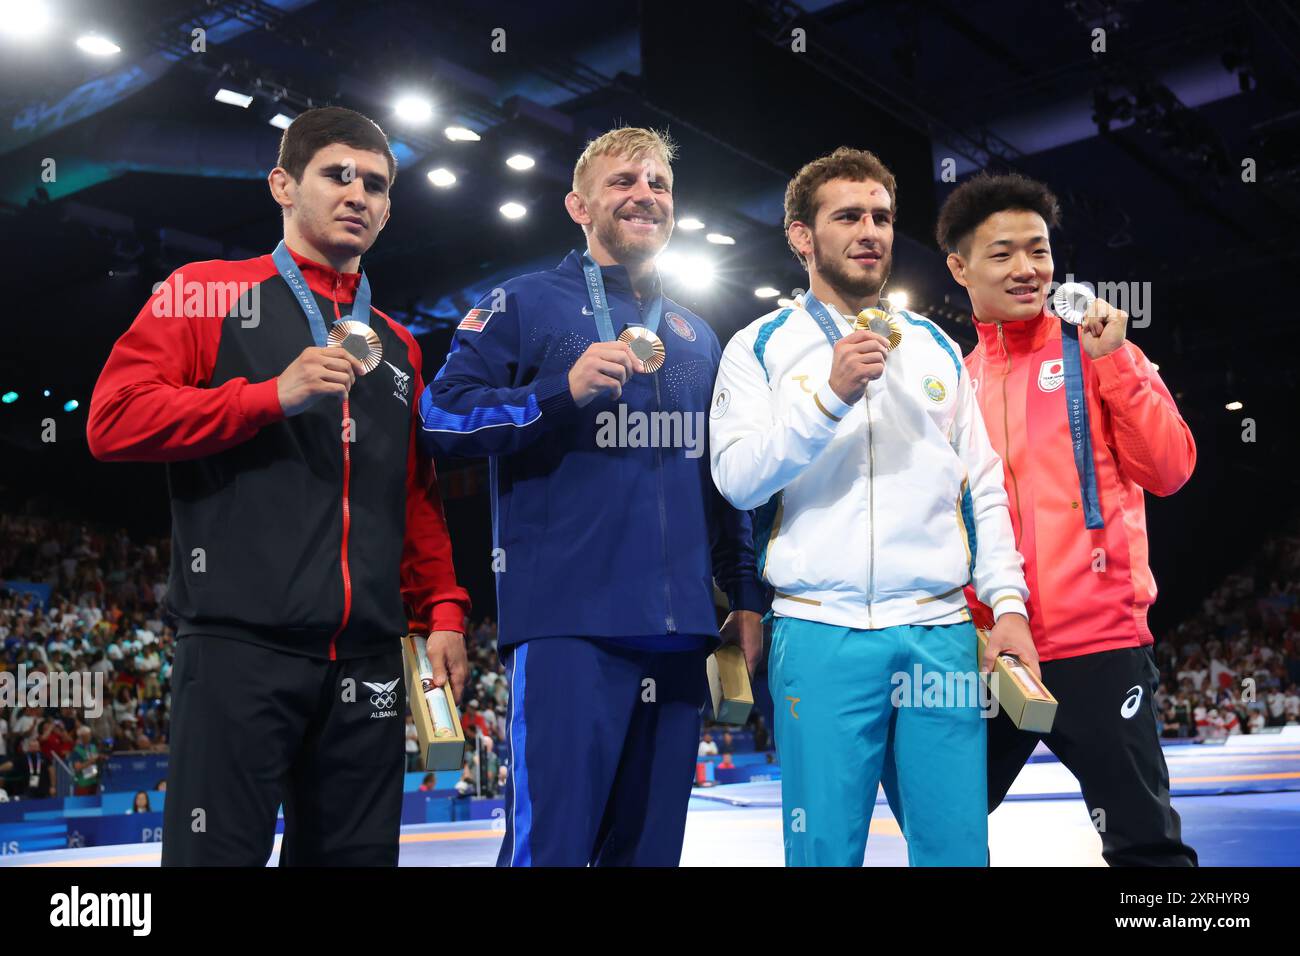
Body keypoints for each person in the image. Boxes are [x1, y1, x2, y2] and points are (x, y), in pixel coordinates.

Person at [87, 106, 471, 866]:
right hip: (239, 647)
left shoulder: (396, 344)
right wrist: (267, 396)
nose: (358, 194)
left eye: (376, 184)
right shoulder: (204, 291)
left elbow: (413, 496)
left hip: (367, 658)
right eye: (338, 175)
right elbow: (112, 419)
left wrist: (445, 611)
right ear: (283, 186)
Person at [419, 126, 763, 866]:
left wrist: (742, 595)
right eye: (622, 183)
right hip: (569, 626)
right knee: (554, 850)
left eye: (659, 185)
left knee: (648, 854)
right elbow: (440, 415)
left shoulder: (696, 334)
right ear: (579, 205)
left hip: (679, 636)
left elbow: (724, 478)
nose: (644, 195)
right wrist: (557, 392)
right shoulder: (521, 304)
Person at [711, 147, 1033, 867]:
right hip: (819, 633)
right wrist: (827, 398)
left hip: (939, 632)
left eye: (882, 218)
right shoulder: (758, 347)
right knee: (823, 852)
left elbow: (982, 487)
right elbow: (737, 480)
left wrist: (1007, 604)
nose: (871, 232)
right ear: (801, 236)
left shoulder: (936, 350)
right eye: (848, 215)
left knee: (958, 851)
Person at [937, 170, 1198, 866]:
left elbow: (1170, 470)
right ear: (959, 267)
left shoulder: (1100, 351)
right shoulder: (952, 383)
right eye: (1003, 253)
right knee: (945, 828)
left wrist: (1119, 364)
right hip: (995, 652)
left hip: (1100, 646)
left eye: (1039, 249)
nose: (1028, 269)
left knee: (1146, 846)